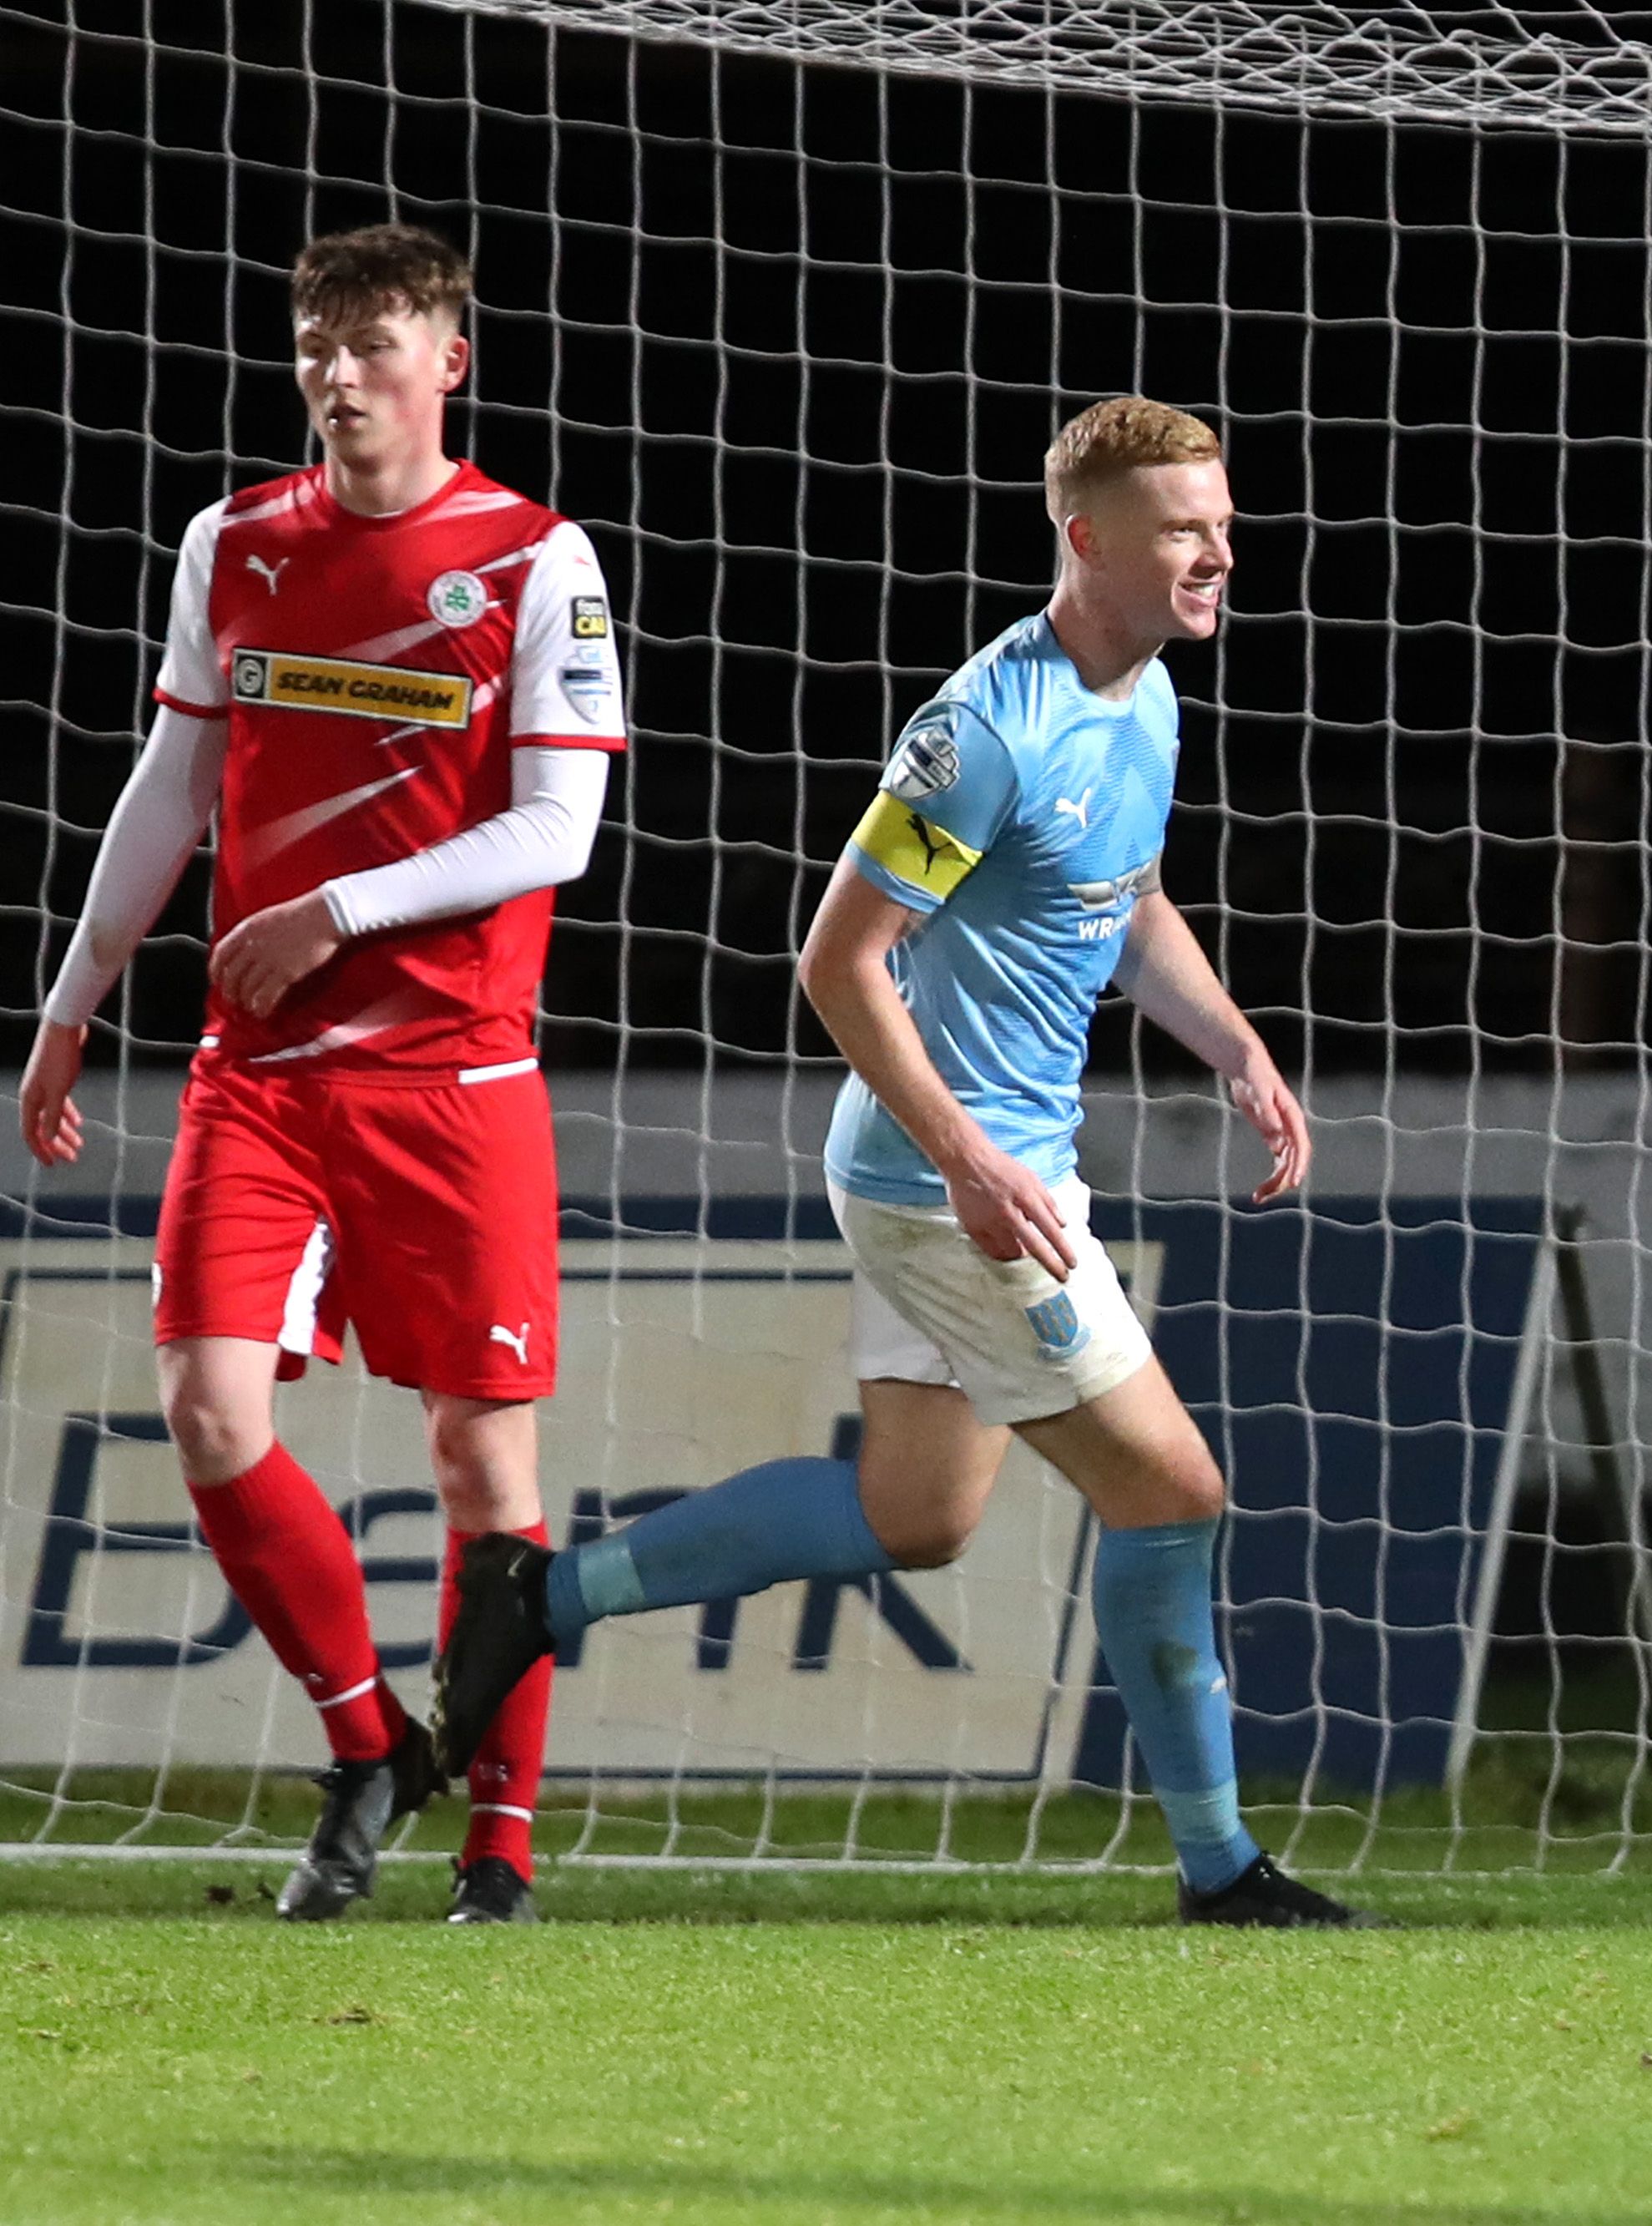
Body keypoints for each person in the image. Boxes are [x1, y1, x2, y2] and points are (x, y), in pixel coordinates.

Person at [431, 397, 1380, 1929]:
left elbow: (1127, 898)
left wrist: (1236, 1045)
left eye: (1223, 523)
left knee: (915, 1513)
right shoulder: (985, 731)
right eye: (1185, 529)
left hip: (982, 1168)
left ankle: (537, 1595)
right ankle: (1222, 1871)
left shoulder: (1147, 696)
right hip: (954, 1188)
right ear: (1088, 539)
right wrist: (970, 1162)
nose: (1220, 553)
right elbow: (839, 959)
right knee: (1174, 1491)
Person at [15, 224, 624, 1925]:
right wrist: (71, 998)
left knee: (482, 1469)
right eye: (315, 346)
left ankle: (499, 1849)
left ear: (449, 361)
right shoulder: (235, 543)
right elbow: (170, 782)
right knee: (210, 1409)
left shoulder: (536, 558)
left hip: (455, 1076)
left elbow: (559, 826)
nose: (338, 376)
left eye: (373, 344)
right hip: (260, 1073)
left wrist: (335, 909)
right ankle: (366, 1745)